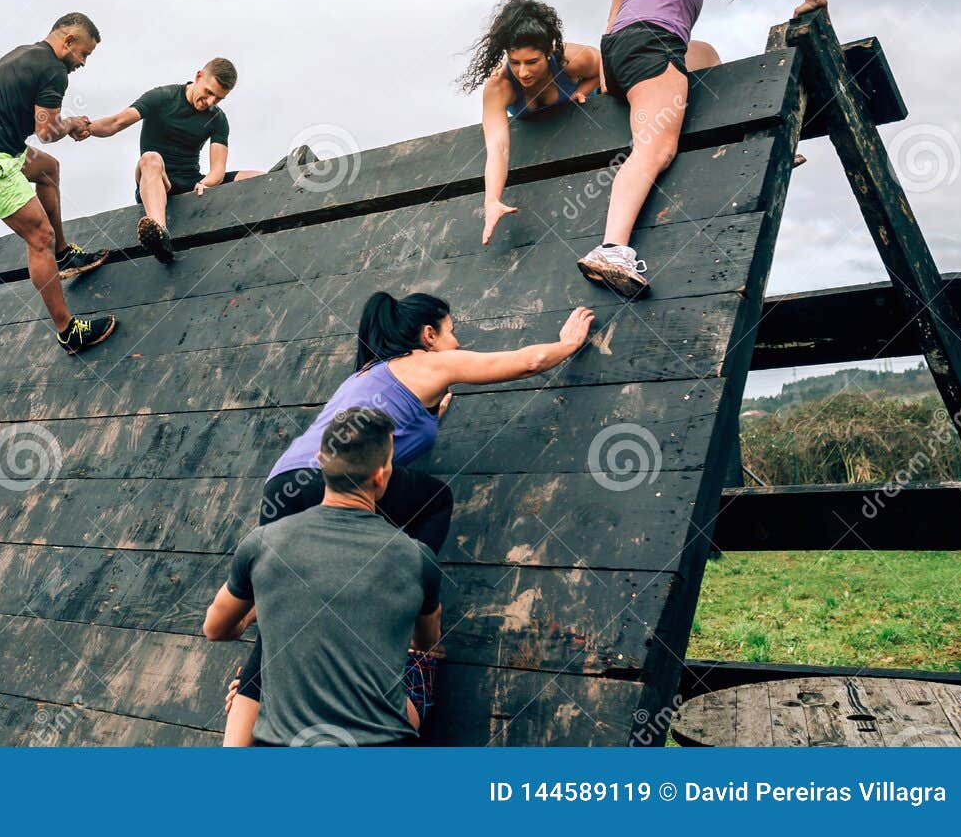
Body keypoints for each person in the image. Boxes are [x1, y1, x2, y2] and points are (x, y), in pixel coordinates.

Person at [221, 291, 597, 745]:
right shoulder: (427, 363)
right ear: (428, 334)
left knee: (271, 650)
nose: (457, 342)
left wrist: (430, 414)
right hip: (325, 483)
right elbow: (529, 361)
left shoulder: (367, 376)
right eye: (452, 330)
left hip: (284, 484)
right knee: (435, 501)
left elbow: (386, 427)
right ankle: (397, 592)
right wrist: (568, 344)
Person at [578, 0, 827, 298]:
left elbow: (614, 12)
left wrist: (612, 76)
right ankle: (612, 250)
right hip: (652, 40)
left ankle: (755, 143)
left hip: (620, 46)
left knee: (705, 54)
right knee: (654, 149)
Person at [203, 407, 442, 747]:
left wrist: (244, 627)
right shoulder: (418, 558)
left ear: (320, 460)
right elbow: (425, 642)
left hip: (286, 743)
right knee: (425, 664)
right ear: (380, 476)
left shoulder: (262, 543)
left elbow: (215, 628)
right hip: (382, 745)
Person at [458, 0, 720, 246]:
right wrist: (492, 199)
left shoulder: (573, 59)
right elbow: (498, 146)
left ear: (549, 50)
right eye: (514, 62)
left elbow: (606, 70)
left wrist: (582, 91)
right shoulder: (500, 86)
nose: (523, 72)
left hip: (606, 133)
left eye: (532, 61)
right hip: (559, 161)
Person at [0, 13, 118, 354]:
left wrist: (64, 121)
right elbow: (47, 131)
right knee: (38, 235)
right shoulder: (54, 71)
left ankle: (63, 254)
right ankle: (68, 331)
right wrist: (71, 123)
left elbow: (35, 119)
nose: (83, 63)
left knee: (47, 170)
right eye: (83, 54)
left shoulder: (26, 52)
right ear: (68, 41)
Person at [86, 59, 265, 264]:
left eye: (218, 99)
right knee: (150, 158)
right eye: (208, 92)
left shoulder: (217, 118)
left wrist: (206, 183)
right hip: (157, 180)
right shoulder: (163, 97)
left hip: (192, 183)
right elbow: (116, 123)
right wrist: (85, 128)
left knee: (259, 177)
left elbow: (218, 170)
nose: (210, 102)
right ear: (198, 76)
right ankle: (159, 233)